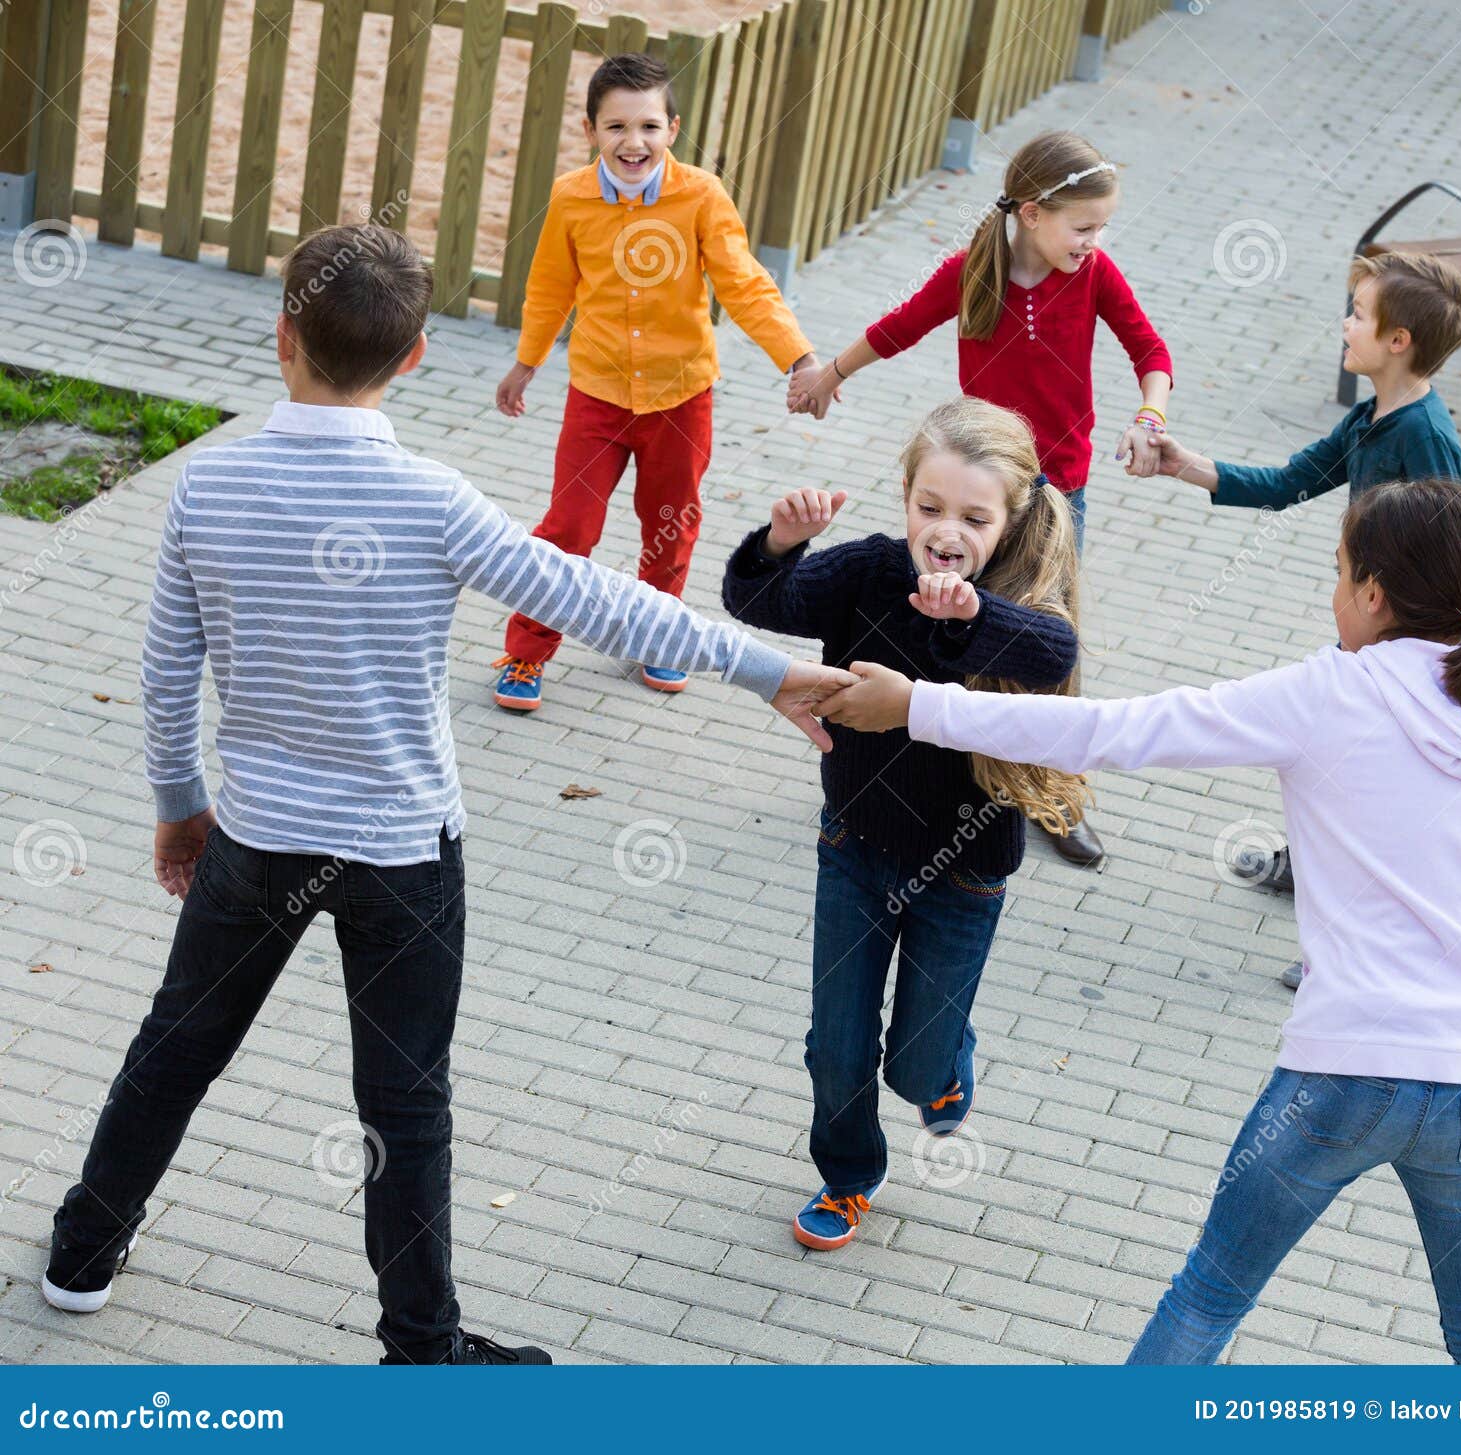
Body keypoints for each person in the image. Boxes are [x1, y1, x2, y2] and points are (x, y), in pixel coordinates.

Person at [41, 224, 854, 1366]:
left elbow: (168, 671)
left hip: (255, 843)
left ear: (283, 337)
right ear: (417, 357)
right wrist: (768, 671)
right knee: (405, 1108)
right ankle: (421, 1348)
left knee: (174, 1045)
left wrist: (179, 805)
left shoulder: (207, 481)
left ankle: (81, 1255)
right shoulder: (433, 499)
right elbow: (595, 599)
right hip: (401, 856)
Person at [817, 476, 1461, 1363]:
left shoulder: (1329, 692)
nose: (1332, 596)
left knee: (1210, 1299)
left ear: (1374, 594)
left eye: (1340, 575)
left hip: (1336, 1074)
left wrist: (919, 705)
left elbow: (1120, 730)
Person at [722, 397, 1081, 1250]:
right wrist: (779, 539)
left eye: (972, 516)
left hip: (964, 872)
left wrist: (968, 615)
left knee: (915, 1061)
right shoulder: (871, 572)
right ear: (906, 497)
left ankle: (944, 1057)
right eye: (929, 506)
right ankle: (848, 1175)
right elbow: (755, 599)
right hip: (852, 846)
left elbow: (1054, 654)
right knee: (836, 1043)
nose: (944, 530)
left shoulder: (1016, 598)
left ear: (1012, 518)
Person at [789, 130, 1174, 871]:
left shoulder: (1094, 276)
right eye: (1084, 226)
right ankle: (923, 766)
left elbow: (1150, 352)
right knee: (947, 618)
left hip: (1056, 496)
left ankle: (1055, 788)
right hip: (973, 497)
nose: (1095, 241)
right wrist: (830, 374)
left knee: (1045, 641)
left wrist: (1149, 417)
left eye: (1102, 228)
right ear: (1032, 213)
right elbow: (898, 328)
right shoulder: (973, 274)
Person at [1157, 251, 1461, 989]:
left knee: (1368, 795)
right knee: (1331, 770)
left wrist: (1410, 650)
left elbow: (1447, 558)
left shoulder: (1426, 440)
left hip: (1403, 648)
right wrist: (1187, 465)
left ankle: (1346, 955)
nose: (1346, 322)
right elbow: (1294, 481)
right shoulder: (1375, 417)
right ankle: (1308, 870)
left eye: (1360, 313)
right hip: (1368, 632)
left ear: (1398, 341)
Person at [491, 52, 824, 710]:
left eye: (647, 126)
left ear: (672, 129)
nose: (632, 141)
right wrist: (526, 362)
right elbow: (550, 288)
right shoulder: (571, 197)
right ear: (590, 132)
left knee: (670, 528)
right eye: (615, 127)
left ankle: (659, 637)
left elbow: (745, 284)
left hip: (681, 398)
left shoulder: (700, 196)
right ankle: (526, 650)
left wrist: (800, 358)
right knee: (568, 529)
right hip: (597, 396)